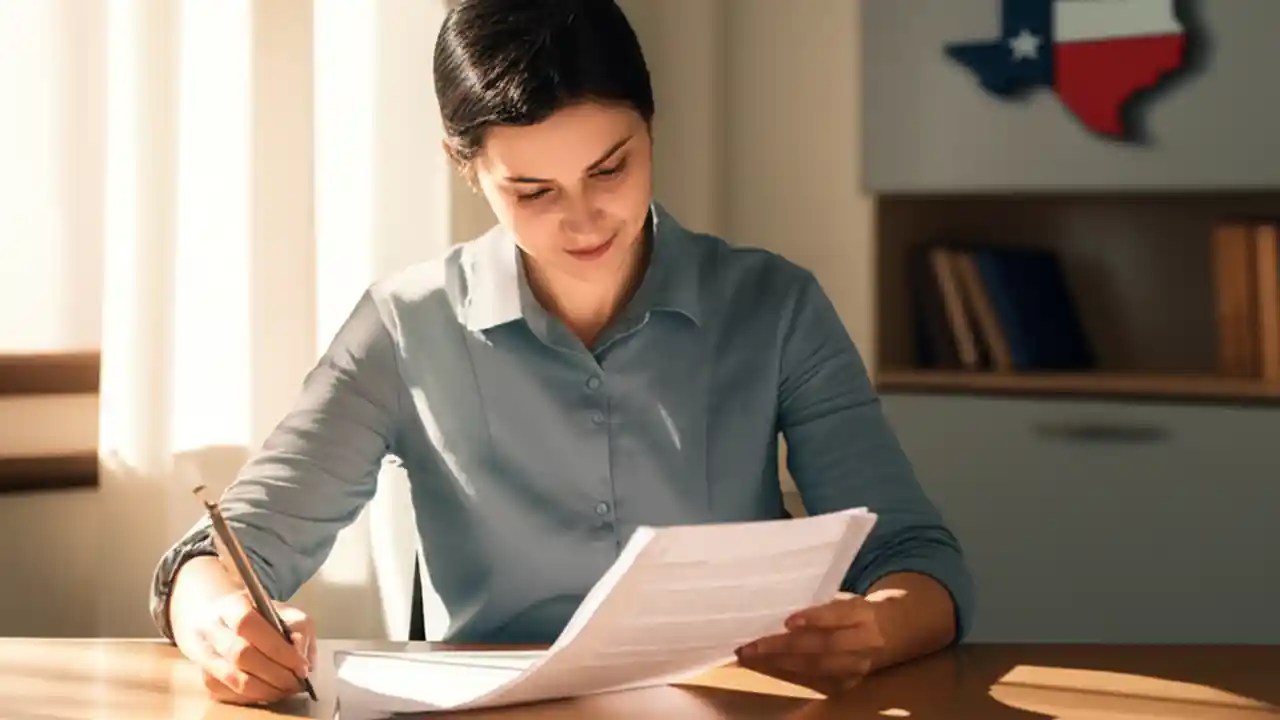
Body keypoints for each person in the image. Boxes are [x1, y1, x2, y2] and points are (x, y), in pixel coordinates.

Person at [149, 0, 973, 706]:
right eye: (533, 191)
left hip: (735, 703)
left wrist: (879, 626)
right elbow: (221, 556)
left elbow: (918, 561)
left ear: (651, 127)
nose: (584, 221)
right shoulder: (406, 326)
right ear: (465, 169)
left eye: (610, 168)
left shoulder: (774, 305)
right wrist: (219, 623)